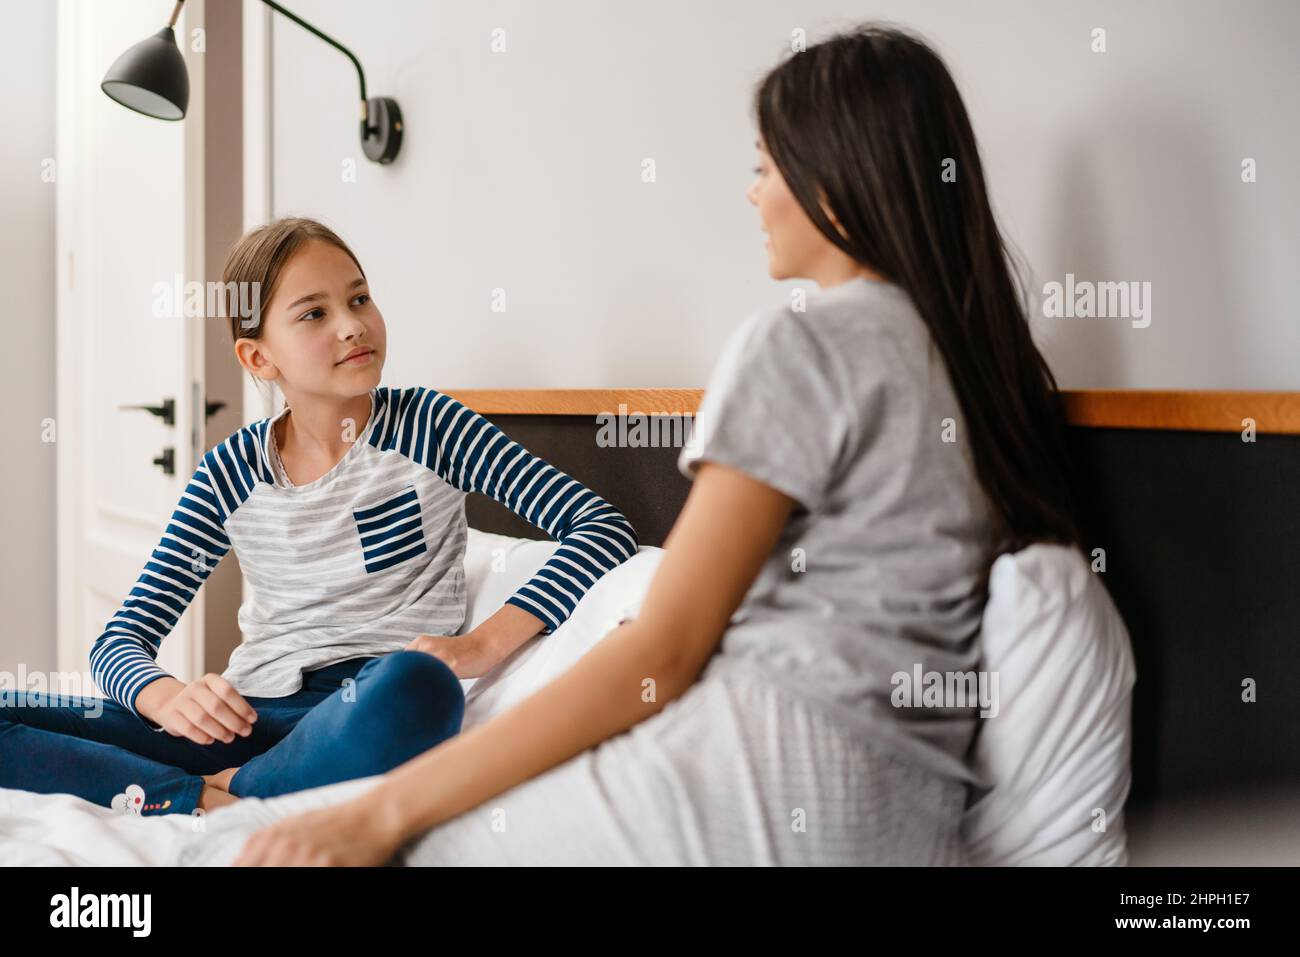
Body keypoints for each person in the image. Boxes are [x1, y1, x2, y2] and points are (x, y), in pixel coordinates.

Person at [229, 23, 1081, 866]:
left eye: (764, 167)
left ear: (836, 179)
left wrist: (380, 813)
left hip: (762, 766)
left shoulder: (807, 345)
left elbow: (664, 652)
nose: (753, 195)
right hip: (905, 816)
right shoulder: (980, 371)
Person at [0, 218, 638, 817]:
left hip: (362, 708)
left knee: (420, 685)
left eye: (359, 299)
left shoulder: (431, 425)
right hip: (246, 721)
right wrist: (168, 696)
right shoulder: (231, 473)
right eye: (315, 313)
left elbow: (601, 528)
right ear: (259, 358)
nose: (352, 325)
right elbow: (118, 642)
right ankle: (211, 798)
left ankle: (240, 794)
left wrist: (480, 645)